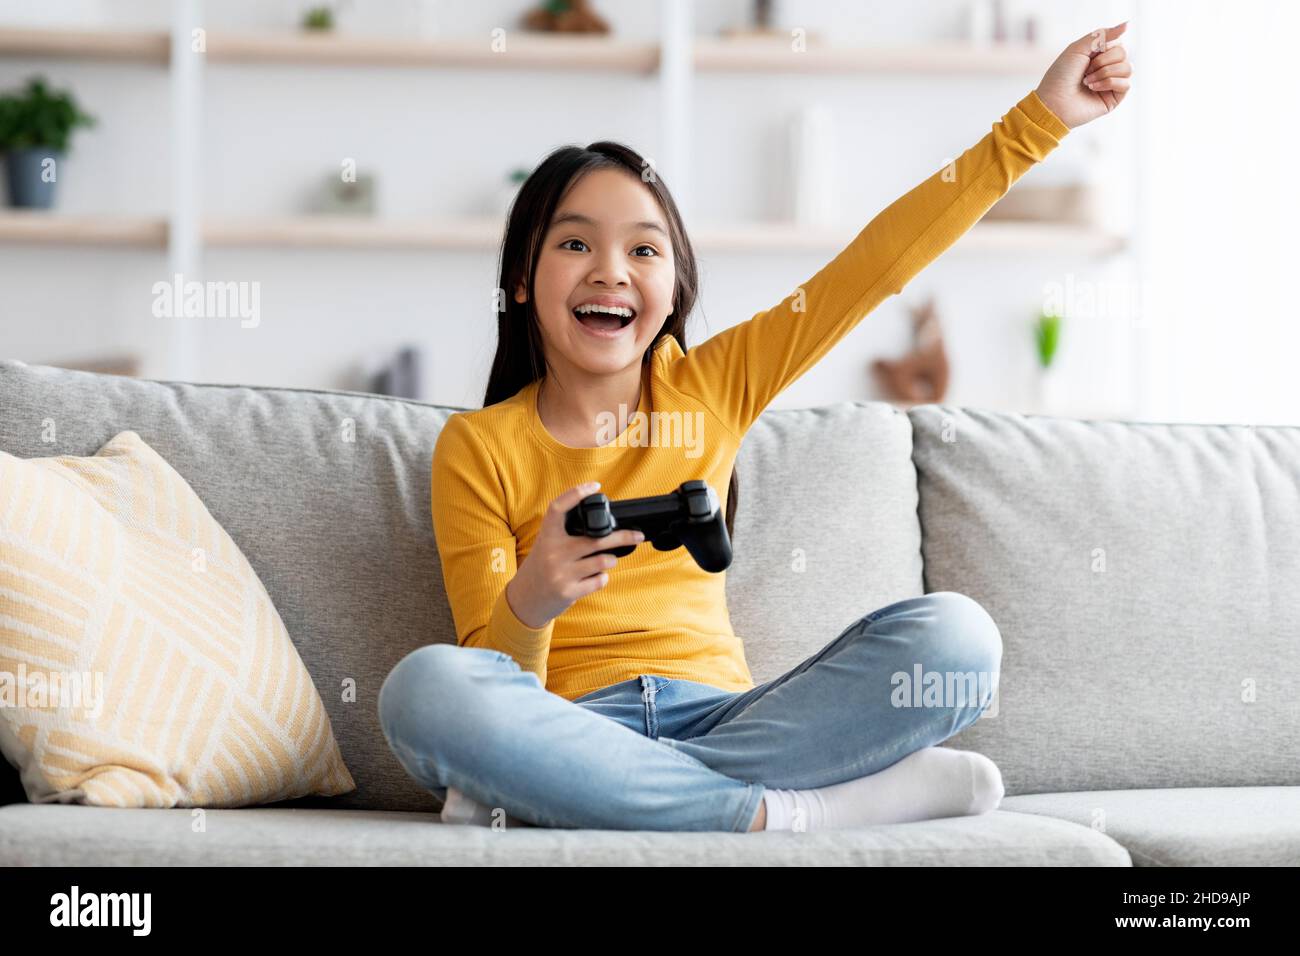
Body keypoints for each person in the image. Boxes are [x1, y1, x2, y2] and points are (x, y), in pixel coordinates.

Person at [379, 24, 1132, 832]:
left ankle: (573, 800)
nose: (611, 270)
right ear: (522, 281)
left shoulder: (712, 386)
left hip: (735, 721)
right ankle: (784, 814)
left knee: (958, 640)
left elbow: (876, 265)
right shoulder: (480, 446)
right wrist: (535, 596)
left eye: (644, 249)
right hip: (572, 727)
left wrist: (1042, 118)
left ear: (672, 290)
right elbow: (495, 679)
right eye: (574, 244)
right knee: (426, 689)